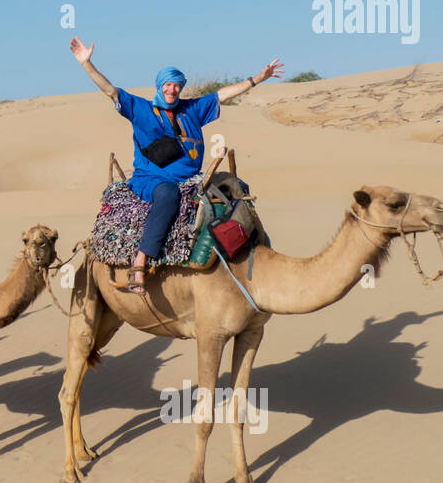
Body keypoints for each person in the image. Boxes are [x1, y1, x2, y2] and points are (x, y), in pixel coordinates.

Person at [69, 38, 283, 293]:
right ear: (160, 86)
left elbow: (223, 94)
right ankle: (141, 259)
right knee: (168, 195)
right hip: (152, 179)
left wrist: (258, 78)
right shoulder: (141, 109)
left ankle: (255, 260)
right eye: (168, 85)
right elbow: (110, 91)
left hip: (191, 178)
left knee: (234, 189)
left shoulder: (191, 109)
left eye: (177, 86)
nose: (172, 90)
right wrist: (87, 64)